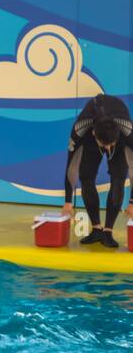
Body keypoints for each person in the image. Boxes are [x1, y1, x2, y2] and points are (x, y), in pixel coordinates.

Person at [61, 93, 133, 248]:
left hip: (117, 133)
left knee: (118, 178)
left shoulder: (127, 131)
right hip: (90, 138)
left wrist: (132, 201)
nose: (108, 149)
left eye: (110, 144)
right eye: (104, 145)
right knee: (86, 176)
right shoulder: (80, 129)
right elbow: (70, 166)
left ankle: (108, 232)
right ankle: (96, 229)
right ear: (95, 134)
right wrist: (67, 201)